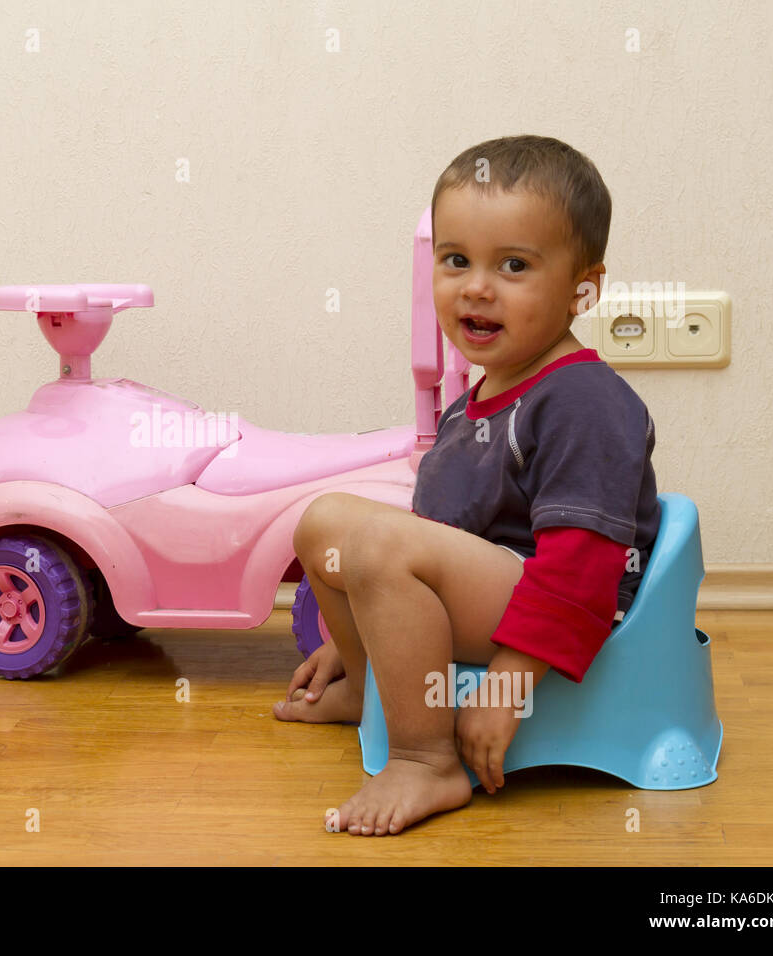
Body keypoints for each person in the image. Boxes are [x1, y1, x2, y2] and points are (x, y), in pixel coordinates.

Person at [273, 135, 661, 836]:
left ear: (584, 287)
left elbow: (581, 566)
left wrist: (510, 681)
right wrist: (356, 632)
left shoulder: (584, 400)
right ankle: (372, 691)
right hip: (495, 591)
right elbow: (441, 546)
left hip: (568, 611)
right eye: (456, 261)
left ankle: (426, 759)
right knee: (324, 521)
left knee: (382, 541)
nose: (476, 286)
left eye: (514, 265)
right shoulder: (473, 403)